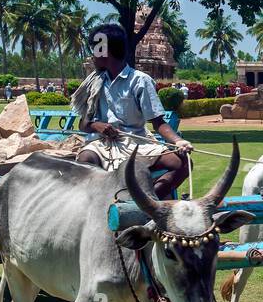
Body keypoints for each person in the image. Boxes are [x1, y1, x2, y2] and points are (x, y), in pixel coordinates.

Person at [72, 22, 193, 200]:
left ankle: (145, 204)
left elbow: (158, 122)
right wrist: (97, 126)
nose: (92, 57)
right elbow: (83, 125)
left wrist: (178, 141)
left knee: (183, 163)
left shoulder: (140, 81)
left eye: (95, 50)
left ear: (105, 51)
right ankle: (97, 204)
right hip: (102, 145)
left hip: (136, 143)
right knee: (85, 160)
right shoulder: (95, 82)